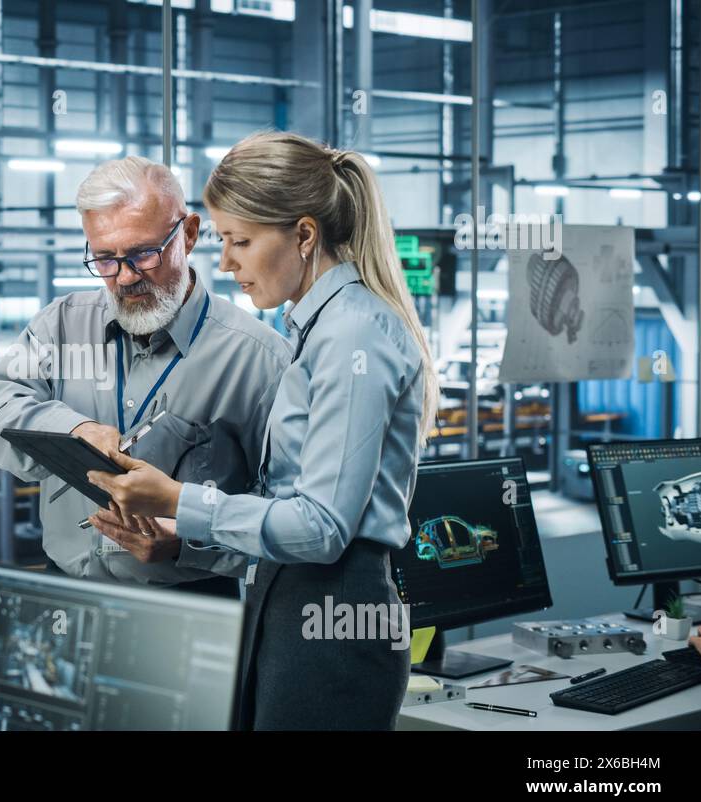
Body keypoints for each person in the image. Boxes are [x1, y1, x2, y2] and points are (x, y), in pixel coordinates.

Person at [87, 130, 439, 730]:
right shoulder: (317, 330)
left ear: (303, 235)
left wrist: (178, 499)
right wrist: (183, 537)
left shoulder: (352, 335)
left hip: (332, 617)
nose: (225, 263)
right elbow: (288, 510)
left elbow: (323, 528)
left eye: (240, 241)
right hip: (292, 603)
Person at [0, 156, 290, 593]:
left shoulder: (260, 360)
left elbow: (288, 515)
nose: (124, 277)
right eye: (104, 258)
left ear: (191, 234)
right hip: (65, 590)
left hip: (191, 600)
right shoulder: (60, 325)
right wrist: (75, 430)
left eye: (143, 254)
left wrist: (190, 545)